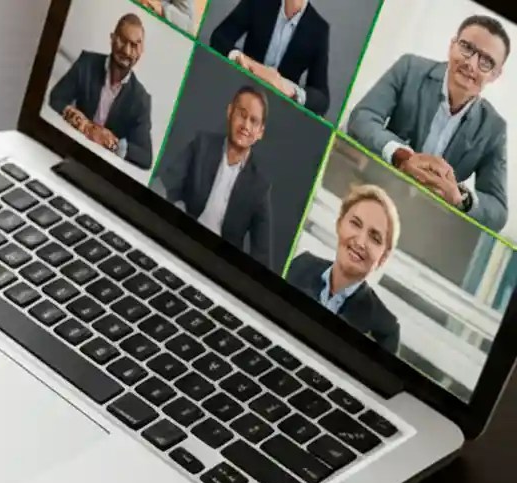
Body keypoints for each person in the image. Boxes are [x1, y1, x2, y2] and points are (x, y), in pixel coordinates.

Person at [347, 15, 509, 231]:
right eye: (466, 47)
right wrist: (403, 157)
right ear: (452, 45)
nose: (471, 64)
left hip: (422, 226)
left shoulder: (494, 128)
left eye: (486, 62)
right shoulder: (409, 68)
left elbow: (497, 210)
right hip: (365, 194)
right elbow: (362, 118)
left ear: (495, 75)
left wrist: (461, 198)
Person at [157, 85, 275, 269]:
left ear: (260, 132)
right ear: (230, 112)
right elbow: (164, 185)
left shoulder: (259, 186)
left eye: (254, 121)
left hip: (217, 265)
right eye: (242, 115)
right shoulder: (202, 145)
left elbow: (262, 257)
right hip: (180, 241)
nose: (245, 126)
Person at [286, 185, 401, 354]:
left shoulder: (385, 329)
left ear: (383, 258)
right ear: (340, 224)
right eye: (355, 223)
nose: (360, 242)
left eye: (374, 238)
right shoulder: (300, 265)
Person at [48, 13, 154, 170]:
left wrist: (109, 142)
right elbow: (56, 98)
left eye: (133, 45)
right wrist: (86, 127)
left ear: (140, 51)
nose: (126, 50)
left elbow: (145, 157)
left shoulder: (141, 99)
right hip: (68, 149)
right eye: (122, 40)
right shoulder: (86, 62)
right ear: (112, 38)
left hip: (101, 168)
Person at [209, 0, 331, 116]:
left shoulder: (319, 29)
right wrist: (250, 64)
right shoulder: (259, 2)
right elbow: (219, 38)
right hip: (237, 92)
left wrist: (292, 91)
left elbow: (322, 98)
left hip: (277, 112)